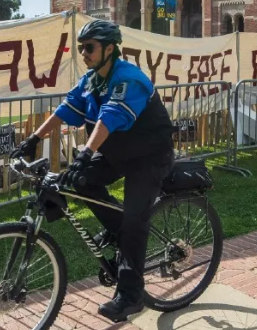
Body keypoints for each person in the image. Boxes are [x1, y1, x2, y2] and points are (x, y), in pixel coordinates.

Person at [9, 19, 174, 322]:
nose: (83, 52)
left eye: (89, 47)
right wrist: (33, 139)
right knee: (81, 181)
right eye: (81, 47)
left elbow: (110, 117)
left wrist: (86, 153)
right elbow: (64, 109)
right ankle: (118, 229)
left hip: (149, 157)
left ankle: (131, 295)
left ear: (110, 49)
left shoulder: (129, 78)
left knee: (135, 225)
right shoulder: (90, 80)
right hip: (119, 153)